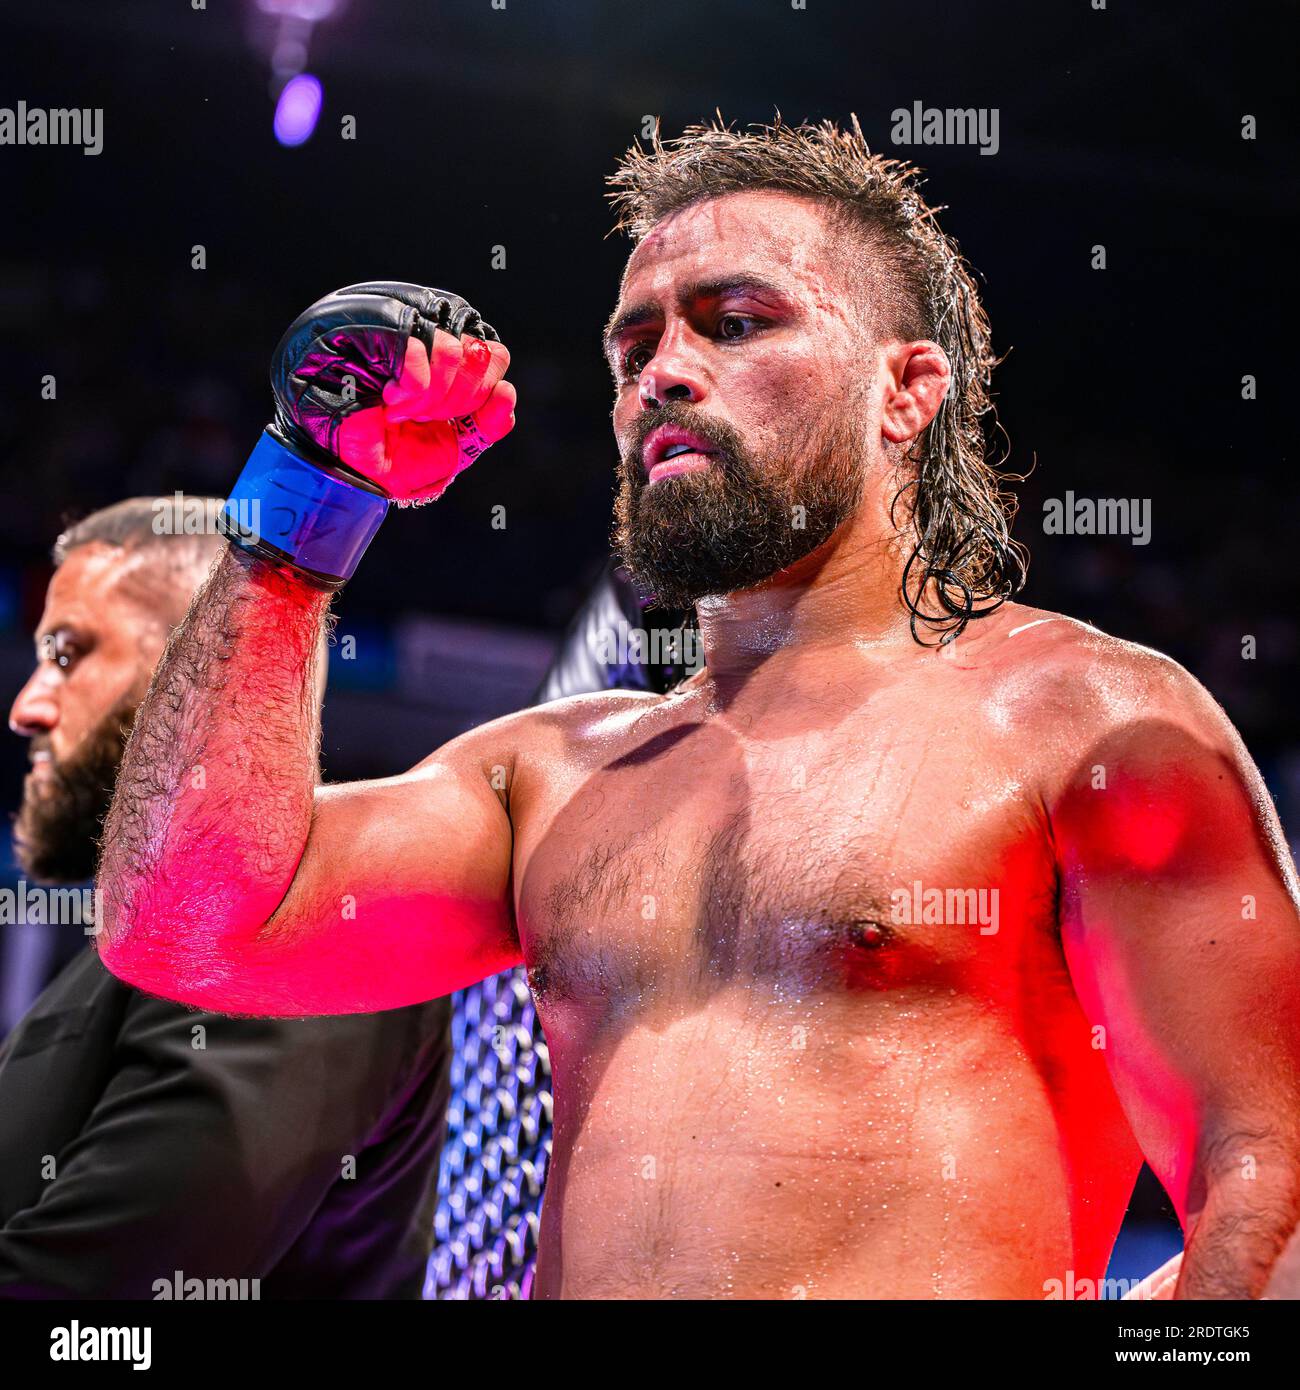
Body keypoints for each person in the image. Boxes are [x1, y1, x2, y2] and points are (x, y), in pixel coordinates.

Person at [96, 118, 1300, 1300]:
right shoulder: (551, 777)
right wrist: (304, 508)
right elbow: (184, 926)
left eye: (734, 324)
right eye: (634, 351)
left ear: (906, 390)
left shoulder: (1082, 720)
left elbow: (1267, 1171)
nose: (663, 372)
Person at [0, 499, 451, 1299]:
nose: (26, 706)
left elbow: (91, 1312)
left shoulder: (299, 914)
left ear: (195, 665)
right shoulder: (120, 955)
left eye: (67, 654)